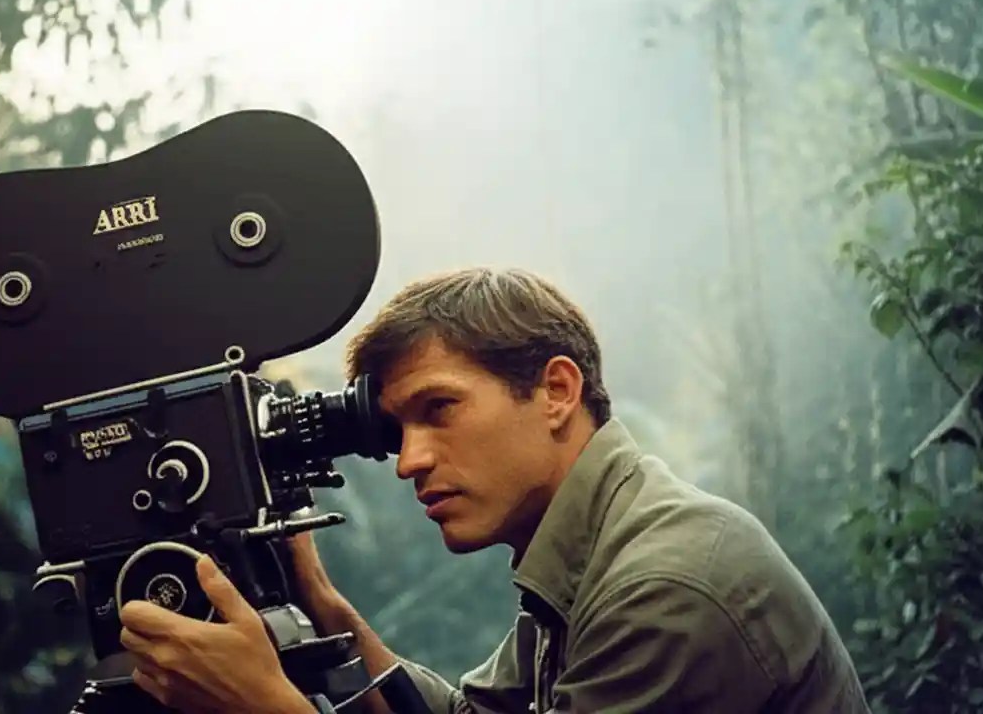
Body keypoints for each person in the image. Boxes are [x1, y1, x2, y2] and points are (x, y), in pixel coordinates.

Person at [117, 267, 871, 713]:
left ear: (555, 391)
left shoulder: (665, 588)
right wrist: (321, 603)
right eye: (396, 431)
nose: (409, 459)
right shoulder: (591, 548)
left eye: (438, 409)